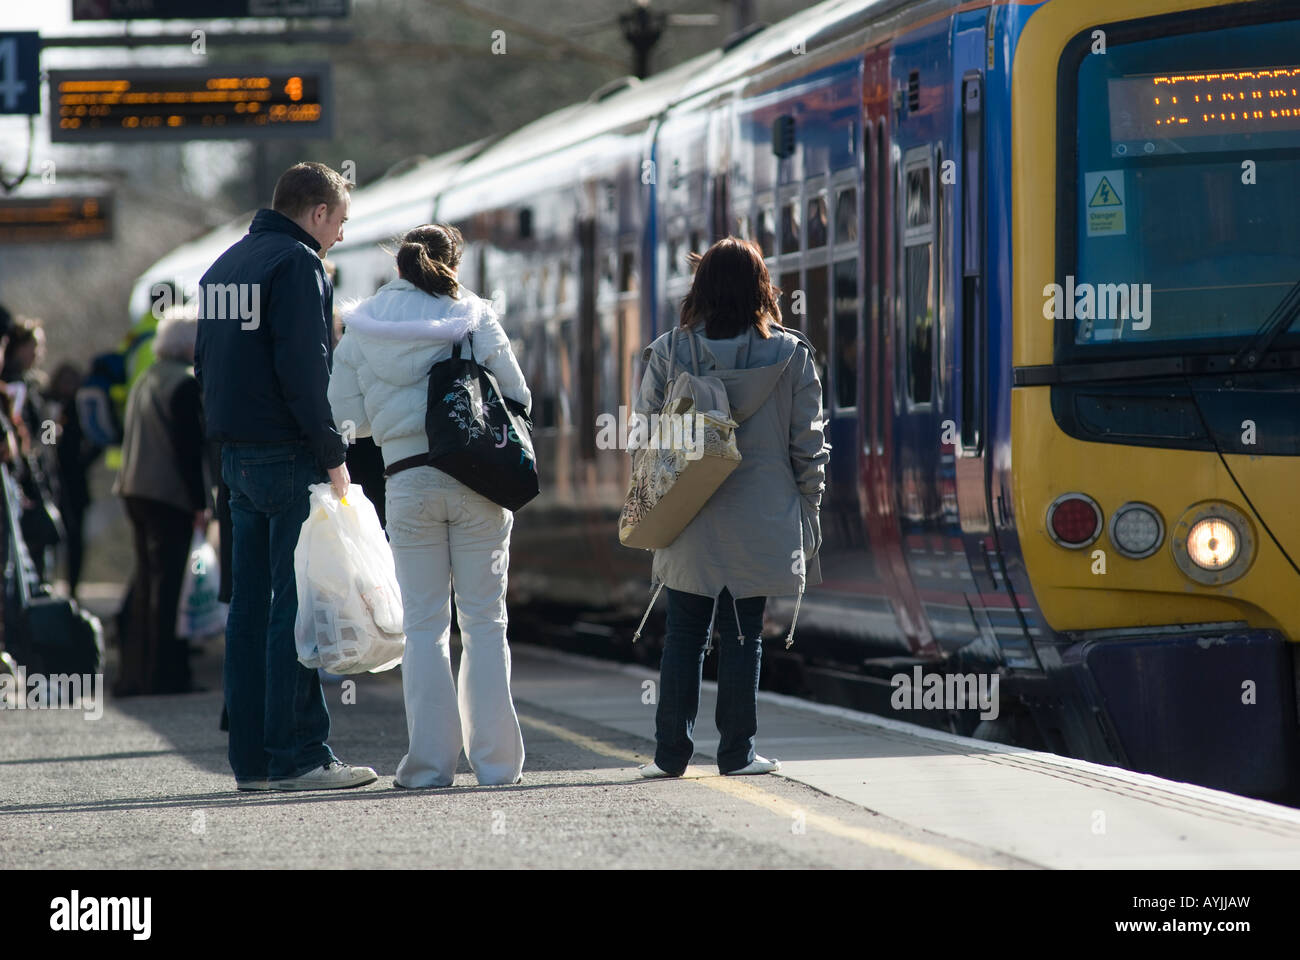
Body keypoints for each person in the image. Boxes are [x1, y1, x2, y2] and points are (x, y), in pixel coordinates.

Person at [195, 161, 376, 792]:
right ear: (318, 212)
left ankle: (252, 762)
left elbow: (206, 370)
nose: (342, 237)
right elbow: (306, 370)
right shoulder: (298, 265)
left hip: (235, 457)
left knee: (248, 608)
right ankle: (298, 756)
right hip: (286, 453)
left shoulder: (221, 269)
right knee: (296, 604)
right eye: (341, 222)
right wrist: (334, 457)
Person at [328, 223, 530, 788]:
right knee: (487, 622)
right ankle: (495, 766)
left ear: (398, 266)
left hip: (409, 482)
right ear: (452, 264)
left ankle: (428, 766)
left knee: (423, 626)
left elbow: (346, 419)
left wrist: (393, 418)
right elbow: (519, 396)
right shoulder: (473, 314)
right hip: (479, 483)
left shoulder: (363, 323)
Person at [632, 236, 829, 779]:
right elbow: (808, 444)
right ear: (761, 286)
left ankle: (670, 755)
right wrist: (808, 507)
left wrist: (651, 497)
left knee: (685, 636)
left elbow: (644, 435)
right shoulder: (792, 356)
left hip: (688, 511)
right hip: (762, 516)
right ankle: (737, 755)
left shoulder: (670, 351)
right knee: (744, 637)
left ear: (701, 288)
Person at [114, 313, 208, 696]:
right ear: (188, 344)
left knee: (146, 585)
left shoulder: (147, 377)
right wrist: (201, 503)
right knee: (169, 587)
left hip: (134, 489)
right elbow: (188, 451)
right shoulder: (184, 383)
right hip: (168, 495)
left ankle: (137, 673)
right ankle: (168, 674)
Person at [50, 362, 101, 601]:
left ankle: (73, 587)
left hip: (75, 481)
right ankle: (49, 581)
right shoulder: (50, 405)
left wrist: (83, 461)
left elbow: (97, 439)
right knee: (51, 535)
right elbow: (47, 441)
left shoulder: (80, 408)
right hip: (51, 480)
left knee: (75, 538)